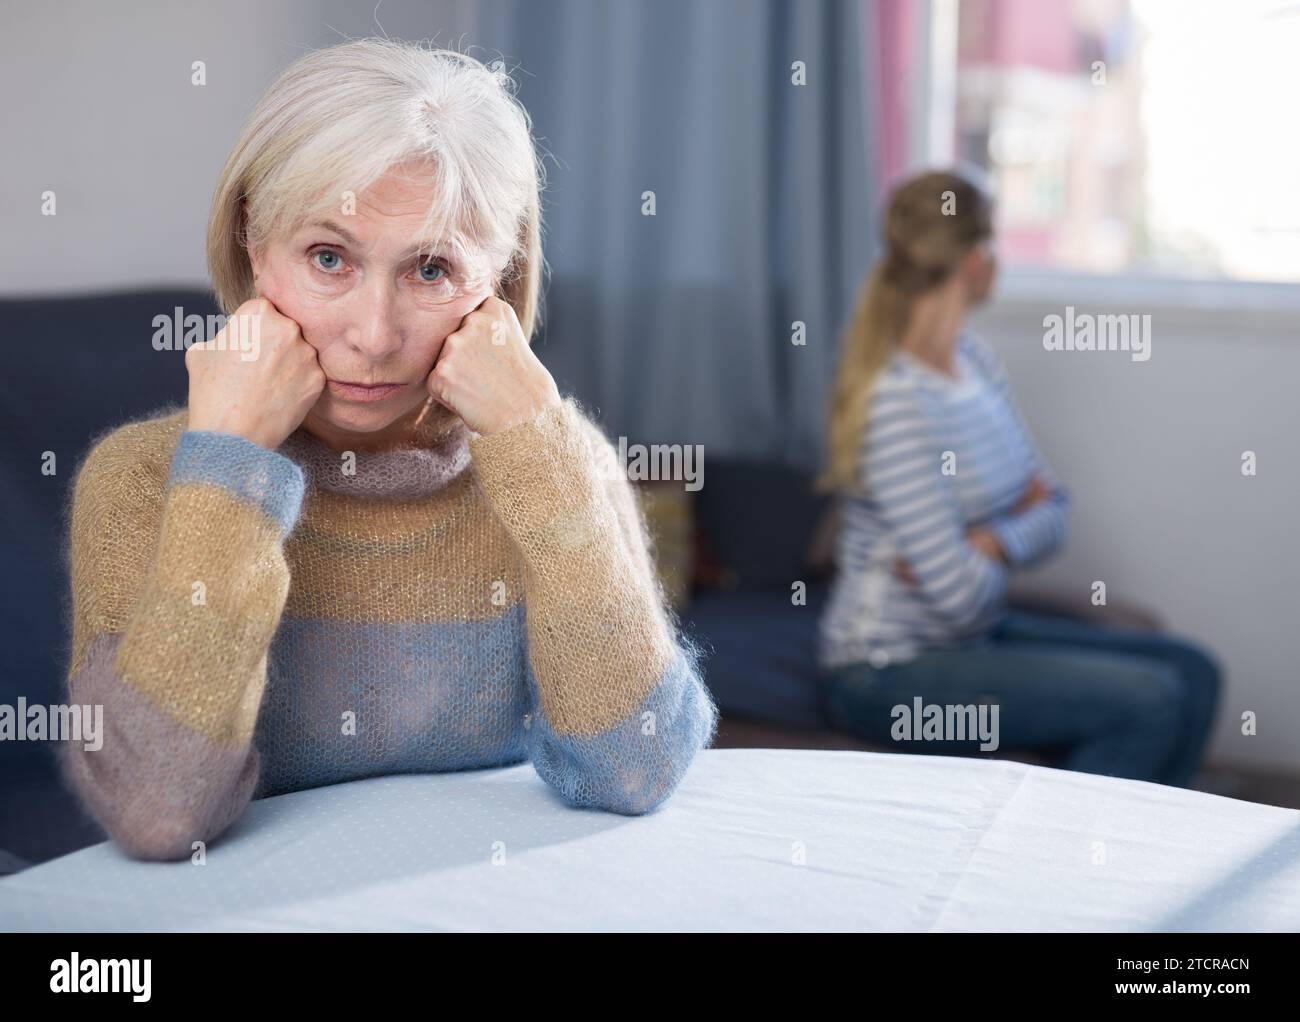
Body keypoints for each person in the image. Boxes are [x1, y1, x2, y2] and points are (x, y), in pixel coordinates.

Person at [59, 38, 717, 861]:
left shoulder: (553, 459)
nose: (373, 337)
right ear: (253, 248)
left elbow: (636, 769)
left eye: (431, 269)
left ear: (499, 284)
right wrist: (228, 466)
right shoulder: (145, 480)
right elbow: (158, 811)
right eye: (328, 258)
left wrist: (545, 459)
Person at [814, 168, 1219, 787]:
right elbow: (956, 596)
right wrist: (1005, 529)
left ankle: (1148, 850)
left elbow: (1055, 508)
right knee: (1151, 699)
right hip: (884, 673)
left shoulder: (975, 364)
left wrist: (989, 541)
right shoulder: (896, 402)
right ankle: (1070, 870)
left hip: (975, 637)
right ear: (977, 261)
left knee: (1195, 672)